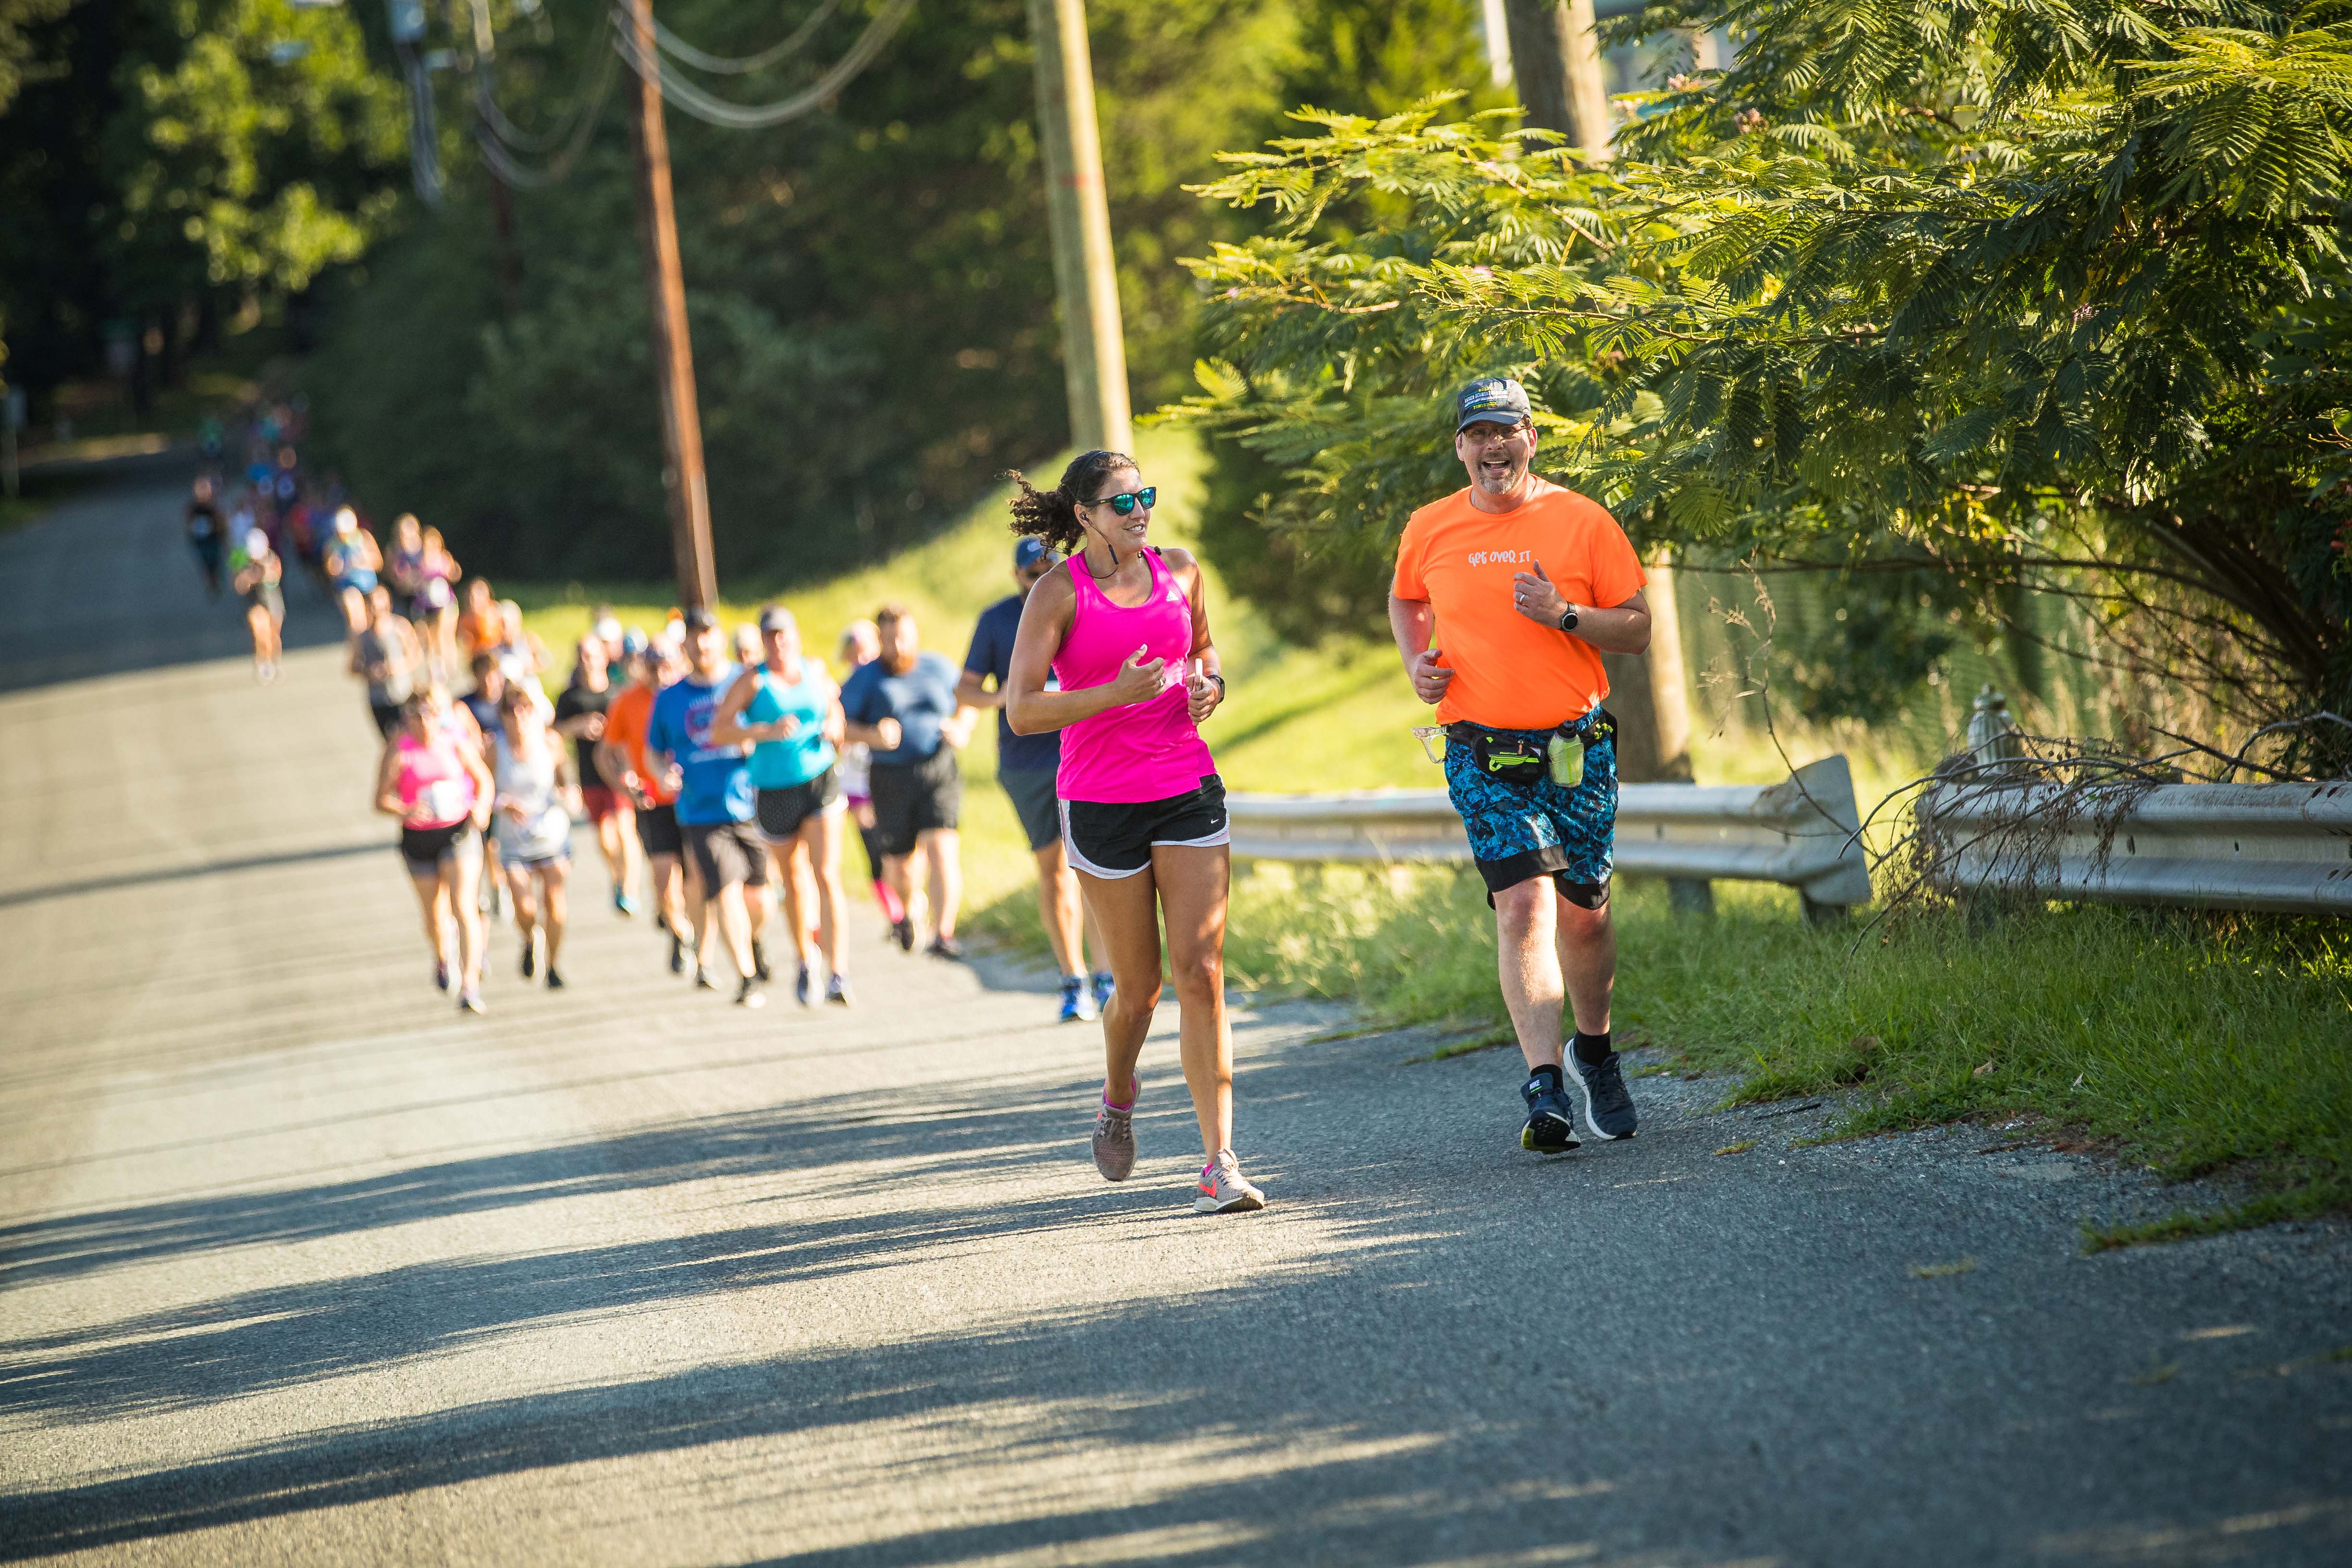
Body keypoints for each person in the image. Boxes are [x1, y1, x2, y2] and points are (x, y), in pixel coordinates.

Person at [1389, 376, 1651, 1153]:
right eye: (1478, 434)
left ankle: (1593, 1052)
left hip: (1577, 751)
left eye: (1506, 431)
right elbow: (1406, 600)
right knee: (1523, 906)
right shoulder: (1430, 526)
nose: (1492, 446)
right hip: (1482, 751)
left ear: (1531, 439)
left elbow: (1636, 629)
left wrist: (1563, 614)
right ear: (1460, 447)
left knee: (1586, 913)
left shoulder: (1582, 520)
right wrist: (1416, 662)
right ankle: (1543, 1084)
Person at [1002, 451, 1263, 1215]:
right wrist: (1112, 694)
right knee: (1140, 992)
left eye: (1145, 495)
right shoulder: (1057, 593)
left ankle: (1219, 1163)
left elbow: (1204, 649)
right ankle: (1119, 1094)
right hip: (1101, 800)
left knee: (1202, 969)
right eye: (1122, 502)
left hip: (1186, 784)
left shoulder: (1180, 570)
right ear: (1085, 515)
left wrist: (1210, 684)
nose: (1140, 509)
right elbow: (1022, 709)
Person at [962, 538, 1111, 1023]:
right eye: (1032, 573)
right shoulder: (996, 620)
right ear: (1017, 576)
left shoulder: (1083, 604)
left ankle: (1107, 976)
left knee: (1093, 868)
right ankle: (1073, 980)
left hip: (1086, 752)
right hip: (1027, 763)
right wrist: (1005, 697)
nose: (1042, 579)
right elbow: (965, 690)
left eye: (1051, 568)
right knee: (1054, 871)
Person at [712, 606, 851, 1006]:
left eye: (783, 633)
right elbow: (720, 731)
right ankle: (806, 961)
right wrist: (765, 731)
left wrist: (835, 726)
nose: (778, 642)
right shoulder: (752, 681)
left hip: (819, 778)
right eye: (770, 635)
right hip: (774, 789)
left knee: (827, 874)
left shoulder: (814, 669)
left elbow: (835, 708)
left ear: (796, 635)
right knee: (793, 879)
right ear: (762, 640)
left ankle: (839, 973)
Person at [646, 608, 770, 1006]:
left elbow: (772, 723)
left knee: (760, 899)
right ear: (684, 643)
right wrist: (663, 774)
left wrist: (754, 739)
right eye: (694, 635)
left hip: (750, 802)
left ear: (720, 639)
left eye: (708, 634)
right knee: (726, 891)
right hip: (700, 811)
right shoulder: (670, 698)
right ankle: (747, 977)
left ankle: (753, 940)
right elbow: (652, 752)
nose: (701, 643)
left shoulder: (744, 682)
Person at [840, 606, 976, 959]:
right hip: (889, 776)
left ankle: (943, 934)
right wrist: (871, 735)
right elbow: (839, 726)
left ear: (915, 635)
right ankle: (910, 907)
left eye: (903, 637)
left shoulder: (938, 667)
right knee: (900, 866)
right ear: (879, 640)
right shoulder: (866, 679)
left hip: (938, 768)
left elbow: (970, 698)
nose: (897, 647)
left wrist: (962, 726)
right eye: (889, 639)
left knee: (942, 849)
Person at [374, 688, 495, 1013]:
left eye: (430, 715)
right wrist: (406, 809)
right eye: (417, 716)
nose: (425, 722)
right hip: (419, 839)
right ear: (408, 719)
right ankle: (443, 956)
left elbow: (484, 780)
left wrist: (481, 808)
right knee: (434, 917)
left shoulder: (454, 742)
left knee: (464, 905)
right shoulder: (399, 750)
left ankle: (470, 986)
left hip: (458, 832)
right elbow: (380, 800)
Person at [600, 639, 694, 973]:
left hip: (693, 799)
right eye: (653, 667)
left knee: (696, 880)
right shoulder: (626, 702)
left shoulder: (691, 695)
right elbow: (605, 754)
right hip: (652, 802)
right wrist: (624, 786)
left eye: (666, 666)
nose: (660, 674)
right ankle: (680, 933)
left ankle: (697, 930)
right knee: (665, 880)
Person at [491, 684, 576, 989]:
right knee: (525, 907)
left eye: (524, 708)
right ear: (502, 716)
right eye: (511, 710)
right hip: (514, 840)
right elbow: (482, 790)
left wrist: (569, 794)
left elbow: (565, 781)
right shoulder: (494, 748)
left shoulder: (550, 743)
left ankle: (553, 966)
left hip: (551, 835)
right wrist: (504, 804)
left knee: (555, 905)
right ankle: (529, 939)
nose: (519, 716)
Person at [555, 633, 641, 916]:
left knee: (625, 830)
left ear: (604, 658)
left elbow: (633, 731)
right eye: (582, 654)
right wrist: (579, 726)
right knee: (605, 837)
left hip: (619, 772)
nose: (587, 660)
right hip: (589, 775)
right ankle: (619, 877)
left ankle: (630, 889)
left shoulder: (617, 694)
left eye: (592, 654)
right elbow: (554, 732)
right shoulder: (570, 697)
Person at [835, 621, 908, 939]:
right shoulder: (844, 691)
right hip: (857, 783)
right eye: (855, 653)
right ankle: (896, 916)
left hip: (892, 776)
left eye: (866, 651)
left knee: (899, 849)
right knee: (875, 851)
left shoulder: (891, 682)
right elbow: (836, 738)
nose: (861, 658)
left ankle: (909, 908)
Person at [351, 585, 425, 738]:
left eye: (380, 602)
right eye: (373, 603)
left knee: (406, 739)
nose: (377, 608)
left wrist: (397, 667)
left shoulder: (400, 627)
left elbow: (417, 656)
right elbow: (353, 668)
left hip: (402, 695)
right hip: (378, 699)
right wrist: (369, 672)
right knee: (388, 740)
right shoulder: (363, 636)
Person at [228, 527, 285, 683]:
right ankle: (263, 663)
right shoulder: (242, 560)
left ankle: (274, 661)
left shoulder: (271, 558)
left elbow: (275, 577)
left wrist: (262, 574)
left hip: (271, 599)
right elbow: (239, 586)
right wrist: (247, 577)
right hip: (255, 601)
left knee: (274, 635)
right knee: (261, 632)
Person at [322, 507, 383, 635]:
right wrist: (335, 566)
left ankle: (366, 645)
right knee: (357, 621)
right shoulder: (332, 544)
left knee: (375, 620)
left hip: (369, 586)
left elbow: (379, 563)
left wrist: (364, 561)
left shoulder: (364, 538)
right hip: (347, 586)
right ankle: (360, 645)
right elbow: (329, 571)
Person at [186, 477, 225, 598]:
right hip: (201, 542)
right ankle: (211, 584)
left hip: (213, 540)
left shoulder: (212, 507)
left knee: (214, 562)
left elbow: (220, 523)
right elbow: (188, 524)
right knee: (206, 564)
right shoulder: (193, 508)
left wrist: (215, 529)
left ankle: (215, 581)